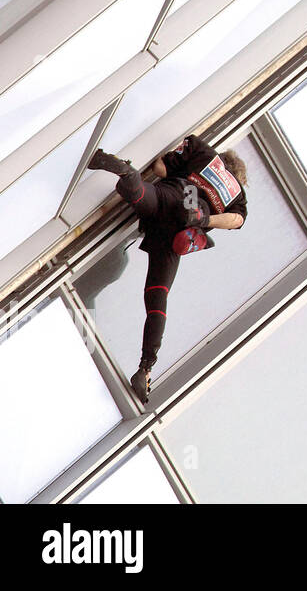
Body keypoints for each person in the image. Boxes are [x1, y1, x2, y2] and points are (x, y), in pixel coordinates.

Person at [87, 135, 249, 404]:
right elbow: (237, 220)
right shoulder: (237, 196)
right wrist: (206, 219)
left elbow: (161, 169)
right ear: (239, 178)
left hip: (173, 195)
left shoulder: (204, 153)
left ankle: (127, 173)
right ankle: (145, 368)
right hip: (183, 229)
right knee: (157, 296)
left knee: (141, 195)